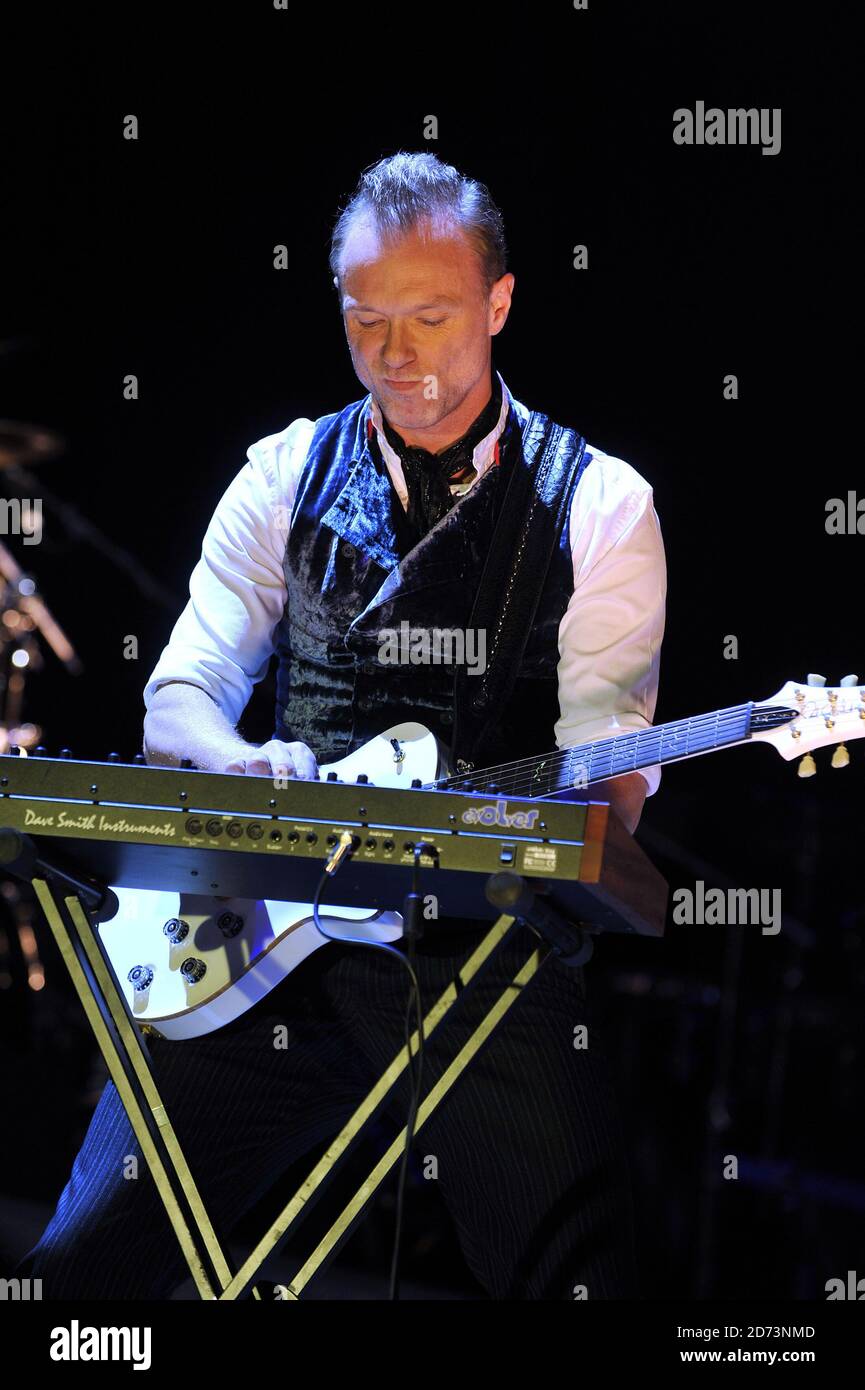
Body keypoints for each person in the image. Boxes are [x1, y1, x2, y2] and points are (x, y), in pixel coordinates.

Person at [16, 151, 666, 1299]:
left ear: (499, 304)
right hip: (254, 947)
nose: (398, 355)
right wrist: (238, 759)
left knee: (585, 1280)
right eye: (367, 321)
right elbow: (178, 699)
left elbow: (602, 795)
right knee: (76, 1280)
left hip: (474, 966)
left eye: (432, 316)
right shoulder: (281, 472)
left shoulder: (601, 504)